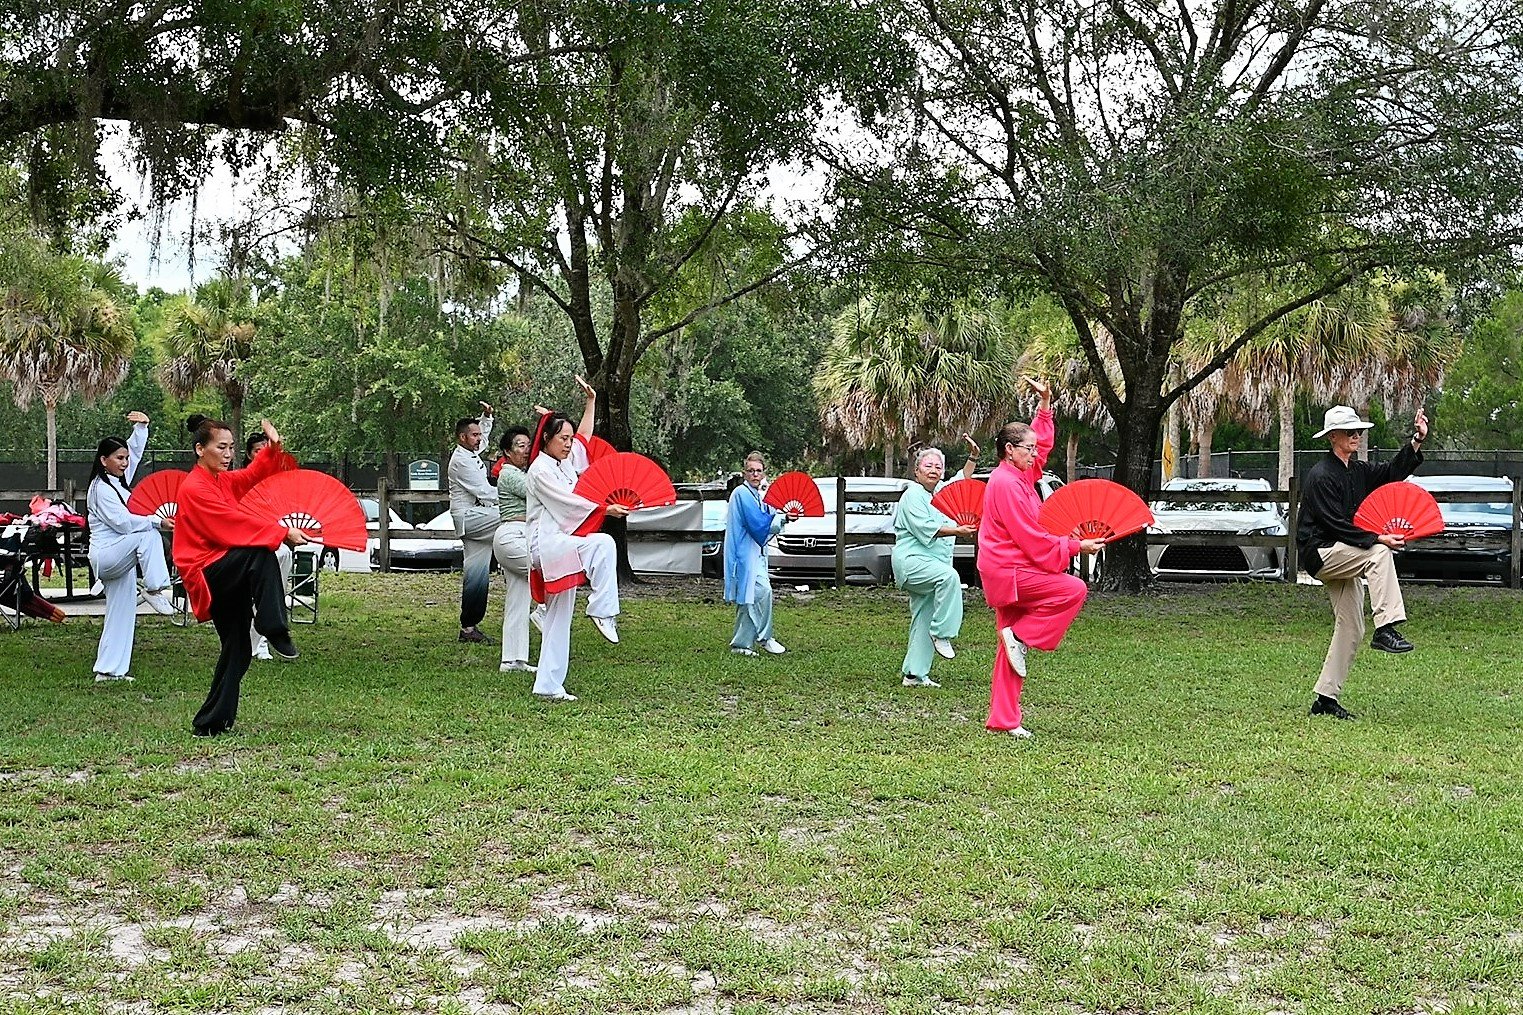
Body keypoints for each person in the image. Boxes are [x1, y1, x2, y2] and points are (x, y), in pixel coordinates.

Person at [977, 377, 1104, 738]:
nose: (1035, 454)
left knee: (1008, 649)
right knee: (1072, 589)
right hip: (1010, 571)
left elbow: (1043, 444)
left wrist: (1045, 406)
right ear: (1009, 451)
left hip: (1012, 568)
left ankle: (1004, 720)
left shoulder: (1018, 474)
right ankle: (1023, 635)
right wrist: (1075, 547)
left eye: (1032, 449)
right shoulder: (1005, 484)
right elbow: (1032, 539)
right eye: (1027, 449)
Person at [173, 415, 308, 737]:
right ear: (199, 450)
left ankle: (210, 721)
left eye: (231, 448)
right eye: (221, 447)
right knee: (259, 553)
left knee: (237, 648)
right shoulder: (195, 487)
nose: (228, 454)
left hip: (226, 570)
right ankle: (273, 625)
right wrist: (281, 532)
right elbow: (231, 523)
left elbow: (252, 475)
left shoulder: (220, 480)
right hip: (207, 572)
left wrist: (274, 447)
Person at [1297, 404, 1428, 720]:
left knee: (1352, 627)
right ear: (1332, 437)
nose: (1356, 435)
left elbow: (1391, 473)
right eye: (1349, 431)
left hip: (1344, 553)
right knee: (1380, 553)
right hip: (1322, 553)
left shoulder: (1356, 470)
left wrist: (1416, 442)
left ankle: (1325, 699)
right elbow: (1334, 526)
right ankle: (1386, 627)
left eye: (1359, 431)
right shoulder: (1320, 476)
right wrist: (1377, 539)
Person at [525, 377, 627, 701]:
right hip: (547, 544)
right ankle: (602, 608)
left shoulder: (563, 462)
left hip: (562, 543)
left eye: (569, 439)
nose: (570, 444)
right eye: (563, 439)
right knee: (603, 544)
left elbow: (584, 436)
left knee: (559, 618)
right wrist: (604, 508)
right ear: (547, 440)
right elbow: (567, 504)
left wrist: (591, 402)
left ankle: (548, 684)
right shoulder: (540, 471)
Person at [85, 411, 176, 682]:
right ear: (104, 461)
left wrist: (142, 427)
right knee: (146, 535)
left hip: (121, 556)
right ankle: (156, 586)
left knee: (121, 615)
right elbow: (124, 524)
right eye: (118, 458)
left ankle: (109, 671)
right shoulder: (100, 489)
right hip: (106, 556)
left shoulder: (118, 482)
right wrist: (157, 521)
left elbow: (134, 453)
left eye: (125, 458)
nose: (125, 463)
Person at [892, 446, 976, 688]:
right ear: (916, 472)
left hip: (933, 565)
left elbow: (961, 481)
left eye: (938, 466)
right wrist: (957, 531)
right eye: (928, 466)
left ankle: (914, 675)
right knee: (950, 578)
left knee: (923, 618)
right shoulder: (913, 495)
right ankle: (942, 632)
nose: (933, 470)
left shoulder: (940, 493)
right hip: (912, 563)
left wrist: (972, 457)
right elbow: (925, 527)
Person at [724, 452, 789, 656]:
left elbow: (768, 515)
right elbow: (758, 522)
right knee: (758, 592)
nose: (755, 474)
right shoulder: (741, 494)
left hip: (756, 553)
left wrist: (786, 517)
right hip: (743, 553)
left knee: (754, 595)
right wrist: (781, 519)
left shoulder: (756, 495)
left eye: (758, 471)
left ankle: (748, 641)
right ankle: (758, 639)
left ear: (764, 473)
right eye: (751, 471)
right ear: (744, 472)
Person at [448, 402, 500, 644]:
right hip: (469, 518)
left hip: (475, 519)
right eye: (474, 435)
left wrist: (486, 417)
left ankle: (468, 628)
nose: (479, 439)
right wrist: (517, 497)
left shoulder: (469, 452)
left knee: (477, 575)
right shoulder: (461, 461)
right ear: (462, 437)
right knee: (513, 516)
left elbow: (485, 439)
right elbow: (485, 492)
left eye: (479, 434)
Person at [244, 430, 294, 662]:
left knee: (274, 591)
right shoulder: (242, 479)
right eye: (257, 451)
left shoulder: (278, 482)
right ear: (248, 454)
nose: (262, 454)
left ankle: (262, 639)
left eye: (266, 450)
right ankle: (253, 641)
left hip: (274, 543)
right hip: (248, 544)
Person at [492, 425, 535, 673]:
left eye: (529, 445)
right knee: (545, 569)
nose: (526, 450)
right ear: (507, 451)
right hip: (512, 536)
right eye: (521, 445)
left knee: (518, 598)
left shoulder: (519, 472)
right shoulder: (509, 474)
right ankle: (543, 610)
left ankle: (513, 659)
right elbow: (536, 490)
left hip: (522, 535)